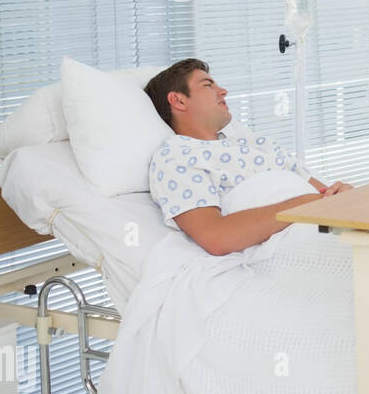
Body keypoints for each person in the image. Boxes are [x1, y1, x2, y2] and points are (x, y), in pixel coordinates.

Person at [143, 58, 353, 255]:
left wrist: (345, 196)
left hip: (331, 224)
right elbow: (216, 237)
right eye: (208, 85)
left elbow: (324, 194)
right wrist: (305, 205)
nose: (223, 92)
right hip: (294, 244)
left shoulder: (255, 145)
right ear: (178, 100)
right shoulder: (177, 156)